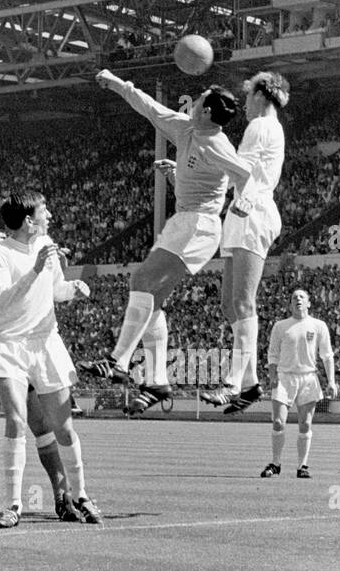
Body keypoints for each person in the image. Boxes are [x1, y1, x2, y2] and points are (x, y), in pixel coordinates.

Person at [78, 69, 256, 417]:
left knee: (141, 281)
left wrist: (243, 200)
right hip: (185, 220)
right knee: (152, 301)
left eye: (201, 98)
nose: (197, 99)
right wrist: (116, 83)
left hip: (200, 226)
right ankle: (157, 381)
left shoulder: (215, 143)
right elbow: (147, 106)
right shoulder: (186, 127)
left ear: (206, 111)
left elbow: (244, 175)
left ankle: (117, 361)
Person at [0, 223, 85, 523]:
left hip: (23, 347)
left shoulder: (18, 259)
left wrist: (54, 271)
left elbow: (44, 293)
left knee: (41, 424)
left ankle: (63, 496)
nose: (1, 233)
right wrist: (0, 296)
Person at [0, 192, 103, 528]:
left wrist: (73, 288)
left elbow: (56, 291)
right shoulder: (0, 252)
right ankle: (14, 505)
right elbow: (4, 301)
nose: (49, 214)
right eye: (43, 210)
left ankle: (81, 495)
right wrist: (35, 270)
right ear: (27, 220)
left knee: (64, 426)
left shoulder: (47, 244)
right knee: (16, 421)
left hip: (46, 342)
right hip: (9, 345)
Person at [199, 71, 290, 416]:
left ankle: (234, 382)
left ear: (261, 96)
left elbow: (242, 171)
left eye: (249, 95)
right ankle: (251, 383)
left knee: (242, 302)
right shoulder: (266, 127)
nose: (245, 103)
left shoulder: (261, 127)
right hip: (243, 210)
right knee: (229, 305)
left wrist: (244, 195)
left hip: (253, 210)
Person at [259, 289, 337, 479]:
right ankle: (276, 463)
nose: (298, 299)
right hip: (285, 377)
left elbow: (327, 355)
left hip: (308, 377)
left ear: (309, 303)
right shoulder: (280, 326)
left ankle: (302, 466)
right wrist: (272, 375)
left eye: (302, 297)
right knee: (278, 422)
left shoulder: (318, 326)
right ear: (290, 304)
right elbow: (272, 353)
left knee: (305, 423)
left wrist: (332, 381)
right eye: (294, 297)